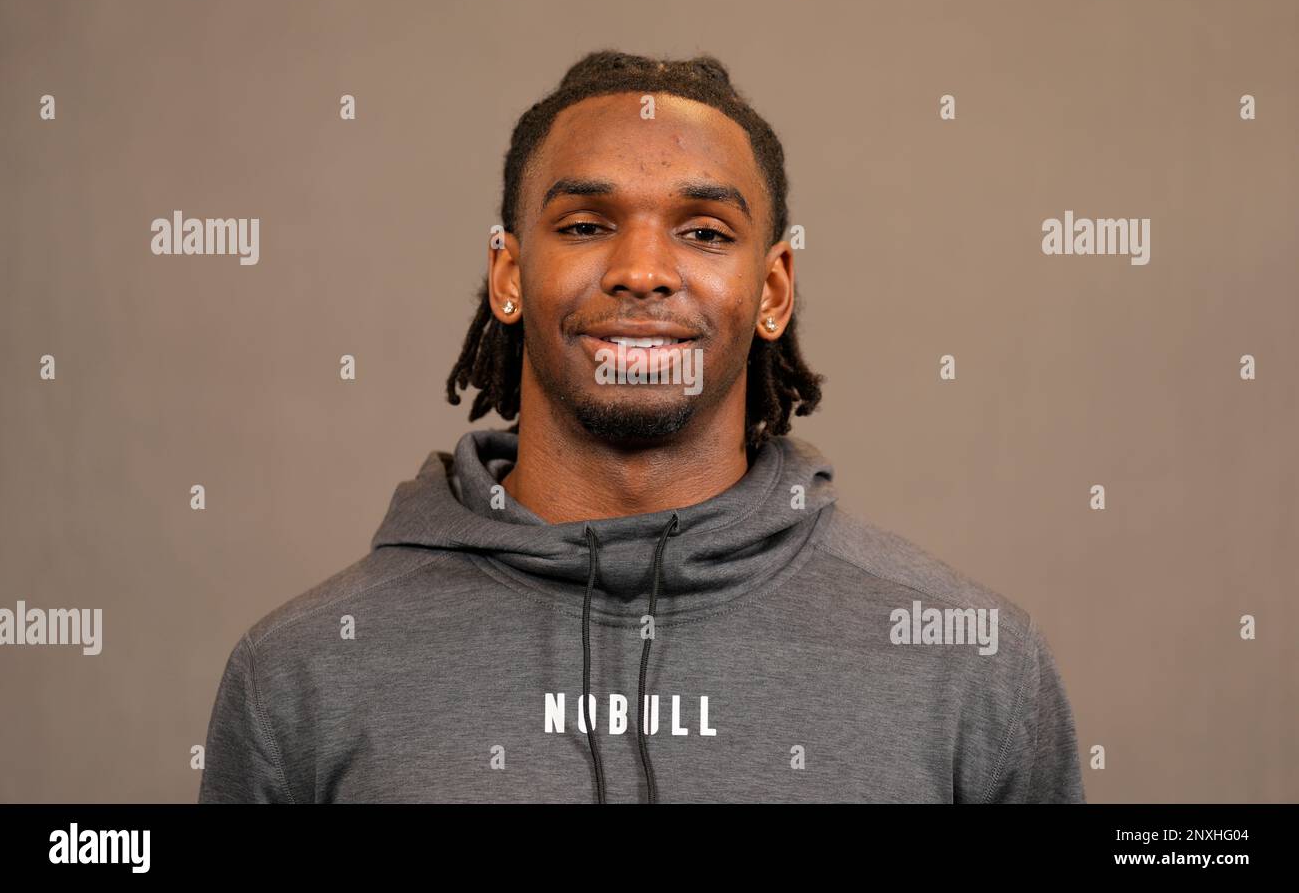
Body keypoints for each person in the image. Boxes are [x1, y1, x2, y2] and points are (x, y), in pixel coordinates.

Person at [198, 50, 1085, 803]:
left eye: (703, 232)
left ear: (773, 290)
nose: (643, 271)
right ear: (507, 275)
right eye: (586, 224)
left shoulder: (972, 665)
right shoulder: (300, 674)